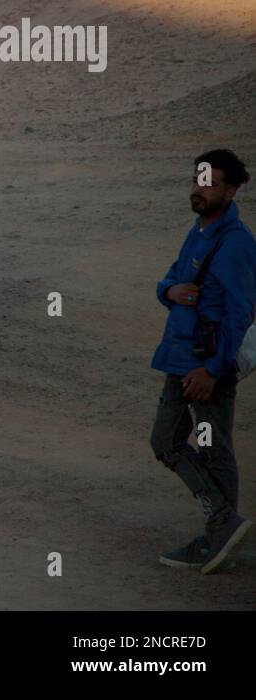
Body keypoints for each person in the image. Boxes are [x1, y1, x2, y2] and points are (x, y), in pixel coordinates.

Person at [150, 148, 255, 574]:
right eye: (197, 179)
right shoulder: (198, 231)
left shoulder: (236, 244)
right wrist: (168, 292)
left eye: (210, 183)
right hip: (180, 358)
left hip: (205, 367)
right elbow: (171, 278)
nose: (200, 188)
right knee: (167, 442)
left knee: (211, 449)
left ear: (230, 192)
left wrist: (212, 371)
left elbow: (241, 314)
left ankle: (220, 532)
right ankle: (224, 527)